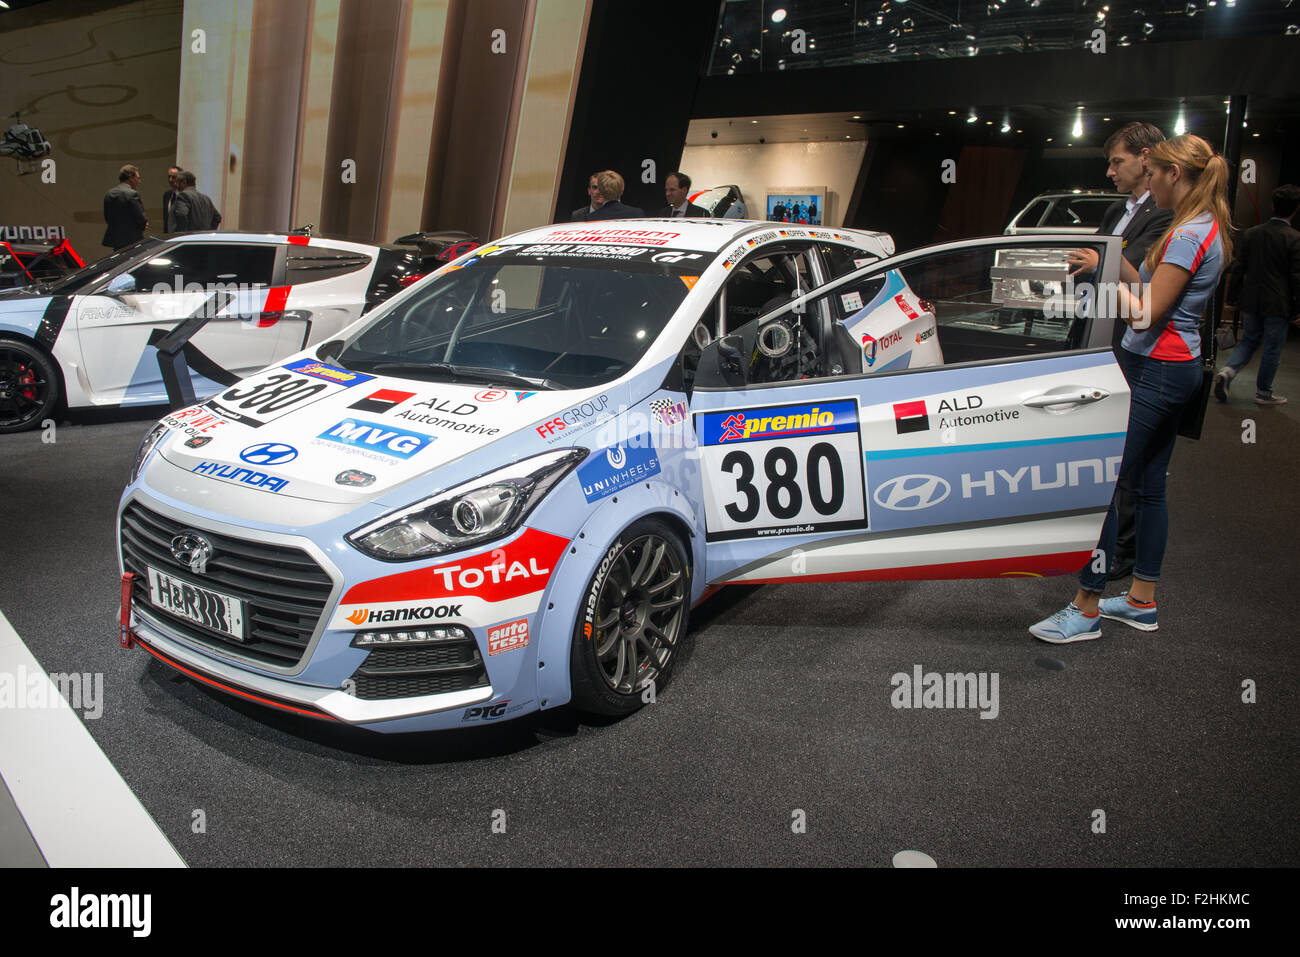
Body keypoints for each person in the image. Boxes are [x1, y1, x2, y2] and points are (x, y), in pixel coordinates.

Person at [1030, 134, 1233, 643]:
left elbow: (1144, 311)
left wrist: (1104, 288)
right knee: (1148, 486)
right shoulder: (1200, 226)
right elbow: (1145, 283)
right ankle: (1142, 599)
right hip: (1172, 367)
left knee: (1104, 484)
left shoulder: (1187, 235)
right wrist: (1110, 266)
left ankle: (1086, 607)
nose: (1150, 183)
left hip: (1158, 370)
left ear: (1173, 176)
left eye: (1156, 175)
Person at [1091, 122, 1174, 581]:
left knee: (1124, 459)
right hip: (1111, 338)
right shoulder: (1116, 211)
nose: (1110, 171)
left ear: (1148, 160)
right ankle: (1131, 568)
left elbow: (1140, 291)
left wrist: (1101, 259)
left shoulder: (1168, 220)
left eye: (1118, 161)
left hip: (1142, 349)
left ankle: (1114, 561)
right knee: (1126, 461)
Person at [1214, 184, 1300, 406]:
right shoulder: (1295, 238)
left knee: (1249, 339)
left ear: (1272, 205)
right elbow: (1296, 276)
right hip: (1278, 303)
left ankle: (1228, 370)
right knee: (1272, 347)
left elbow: (1238, 267)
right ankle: (1263, 393)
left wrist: (1232, 298)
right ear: (1296, 209)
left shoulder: (1252, 234)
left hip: (1251, 299)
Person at [102, 164, 148, 250]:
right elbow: (141, 218)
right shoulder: (132, 194)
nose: (139, 181)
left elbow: (107, 217)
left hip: (116, 241)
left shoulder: (109, 194)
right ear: (131, 178)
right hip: (133, 241)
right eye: (138, 178)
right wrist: (144, 224)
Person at [163, 165, 181, 233]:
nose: (170, 180)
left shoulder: (185, 196)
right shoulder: (167, 195)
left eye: (173, 177)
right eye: (169, 177)